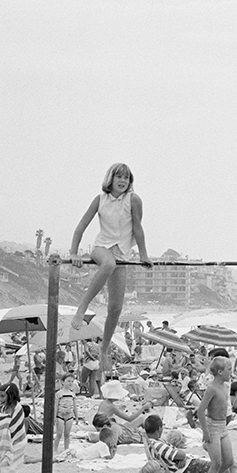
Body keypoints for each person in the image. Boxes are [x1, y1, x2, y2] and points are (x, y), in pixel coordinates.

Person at [68, 163, 152, 380]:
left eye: (126, 178)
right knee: (108, 264)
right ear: (111, 179)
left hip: (122, 252)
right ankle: (82, 308)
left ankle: (104, 350)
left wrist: (143, 254)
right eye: (118, 177)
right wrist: (74, 253)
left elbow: (137, 228)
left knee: (115, 308)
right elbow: (81, 226)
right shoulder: (100, 199)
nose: (122, 181)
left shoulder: (134, 200)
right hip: (102, 248)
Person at [198, 356, 234, 473]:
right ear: (220, 372)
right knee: (216, 463)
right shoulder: (211, 388)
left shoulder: (225, 387)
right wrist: (205, 432)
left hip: (222, 427)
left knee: (229, 461)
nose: (231, 372)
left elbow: (224, 408)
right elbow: (201, 411)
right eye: (229, 369)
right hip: (213, 427)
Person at [54, 371, 77, 454]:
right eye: (68, 381)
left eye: (72, 381)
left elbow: (75, 406)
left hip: (70, 416)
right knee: (59, 433)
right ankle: (55, 449)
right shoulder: (59, 394)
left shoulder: (72, 394)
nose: (70, 383)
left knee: (67, 434)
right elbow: (56, 406)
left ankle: (66, 449)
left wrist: (76, 417)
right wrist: (54, 417)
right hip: (60, 415)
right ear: (63, 382)